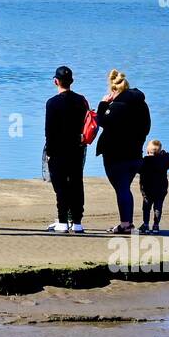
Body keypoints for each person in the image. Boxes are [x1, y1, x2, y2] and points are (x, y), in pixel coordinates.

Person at [95, 69, 150, 234]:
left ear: (113, 89)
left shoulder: (117, 105)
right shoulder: (142, 104)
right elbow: (147, 127)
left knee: (122, 189)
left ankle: (126, 224)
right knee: (125, 188)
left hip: (116, 156)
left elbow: (102, 121)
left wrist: (103, 104)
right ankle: (128, 223)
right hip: (135, 155)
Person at [43, 65, 89, 234]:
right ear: (72, 81)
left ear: (56, 81)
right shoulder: (81, 100)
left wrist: (49, 152)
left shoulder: (52, 103)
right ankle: (77, 222)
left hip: (57, 150)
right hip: (77, 148)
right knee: (77, 183)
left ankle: (62, 221)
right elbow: (87, 123)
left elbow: (49, 131)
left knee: (60, 186)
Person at [139, 138, 169, 234]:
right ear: (160, 152)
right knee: (158, 207)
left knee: (146, 207)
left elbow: (137, 168)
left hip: (147, 189)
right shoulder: (163, 161)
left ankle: (145, 225)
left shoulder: (145, 161)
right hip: (161, 189)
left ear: (147, 151)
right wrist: (165, 153)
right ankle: (156, 225)